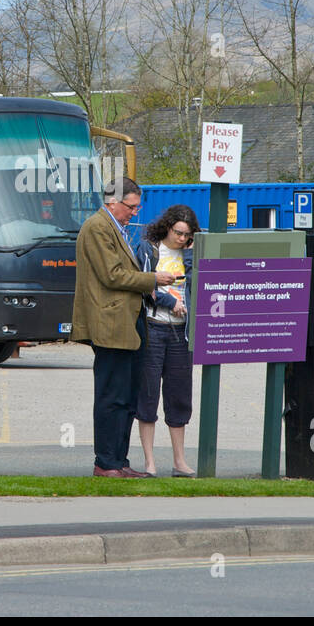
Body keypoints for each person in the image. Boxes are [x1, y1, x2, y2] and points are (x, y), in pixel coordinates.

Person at [71, 178, 175, 478]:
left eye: (136, 206)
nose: (134, 212)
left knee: (128, 397)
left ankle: (119, 461)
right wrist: (153, 279)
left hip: (128, 324)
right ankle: (105, 463)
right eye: (131, 206)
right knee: (112, 396)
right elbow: (113, 276)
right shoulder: (97, 227)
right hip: (111, 325)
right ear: (112, 201)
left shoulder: (115, 228)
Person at [137, 205, 200, 477]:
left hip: (181, 332)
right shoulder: (148, 249)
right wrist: (167, 301)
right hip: (154, 327)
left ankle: (179, 460)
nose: (182, 239)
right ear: (167, 227)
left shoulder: (189, 253)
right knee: (148, 394)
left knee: (179, 396)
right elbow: (142, 285)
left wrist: (189, 253)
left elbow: (198, 283)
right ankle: (150, 462)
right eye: (178, 233)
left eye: (187, 235)